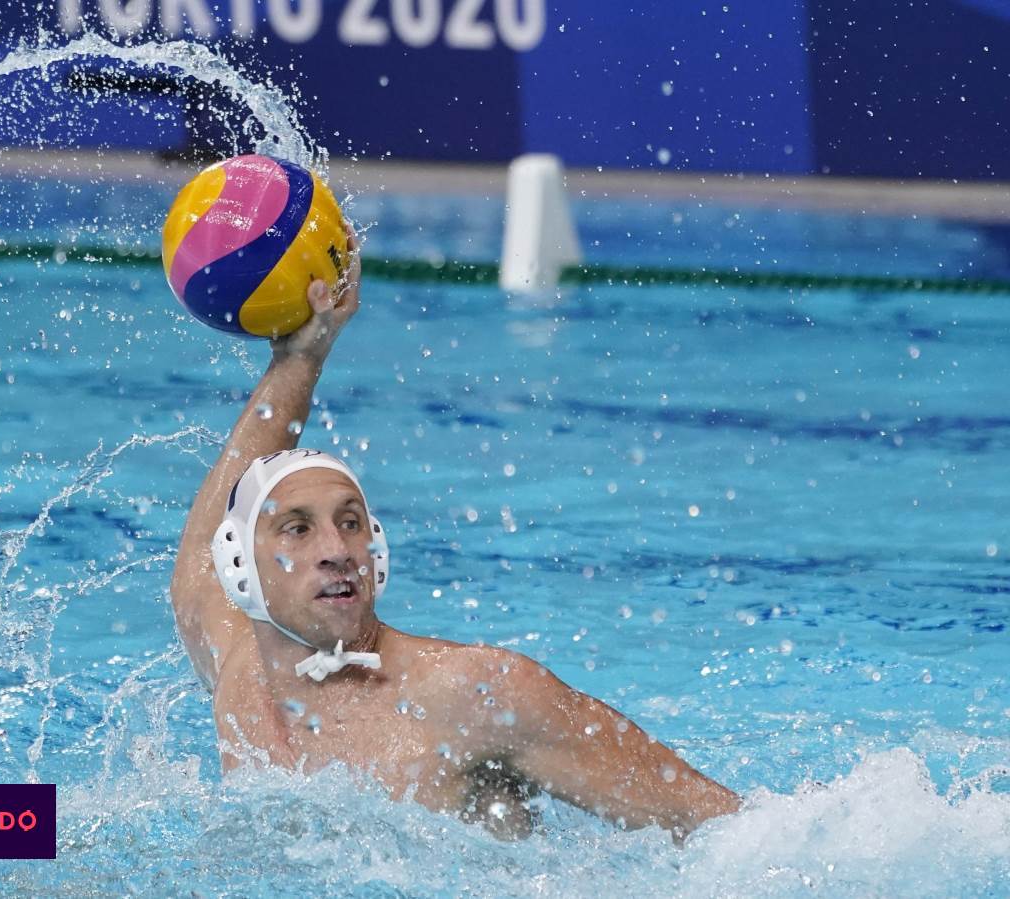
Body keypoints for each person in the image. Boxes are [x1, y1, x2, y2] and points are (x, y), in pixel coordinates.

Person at [169, 226, 740, 840]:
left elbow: (723, 829)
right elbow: (196, 563)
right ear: (241, 570)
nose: (336, 552)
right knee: (45, 836)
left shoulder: (476, 694)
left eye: (351, 524)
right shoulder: (241, 678)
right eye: (296, 529)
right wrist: (299, 359)